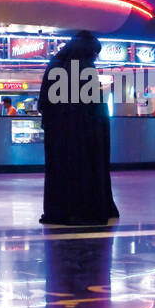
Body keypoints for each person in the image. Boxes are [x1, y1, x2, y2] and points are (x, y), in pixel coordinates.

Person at [38, 30, 119, 226]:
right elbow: (93, 108)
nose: (95, 57)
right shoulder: (85, 68)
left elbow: (44, 104)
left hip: (58, 137)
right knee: (86, 171)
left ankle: (61, 211)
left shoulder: (54, 66)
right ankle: (85, 211)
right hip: (85, 136)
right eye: (94, 53)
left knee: (60, 172)